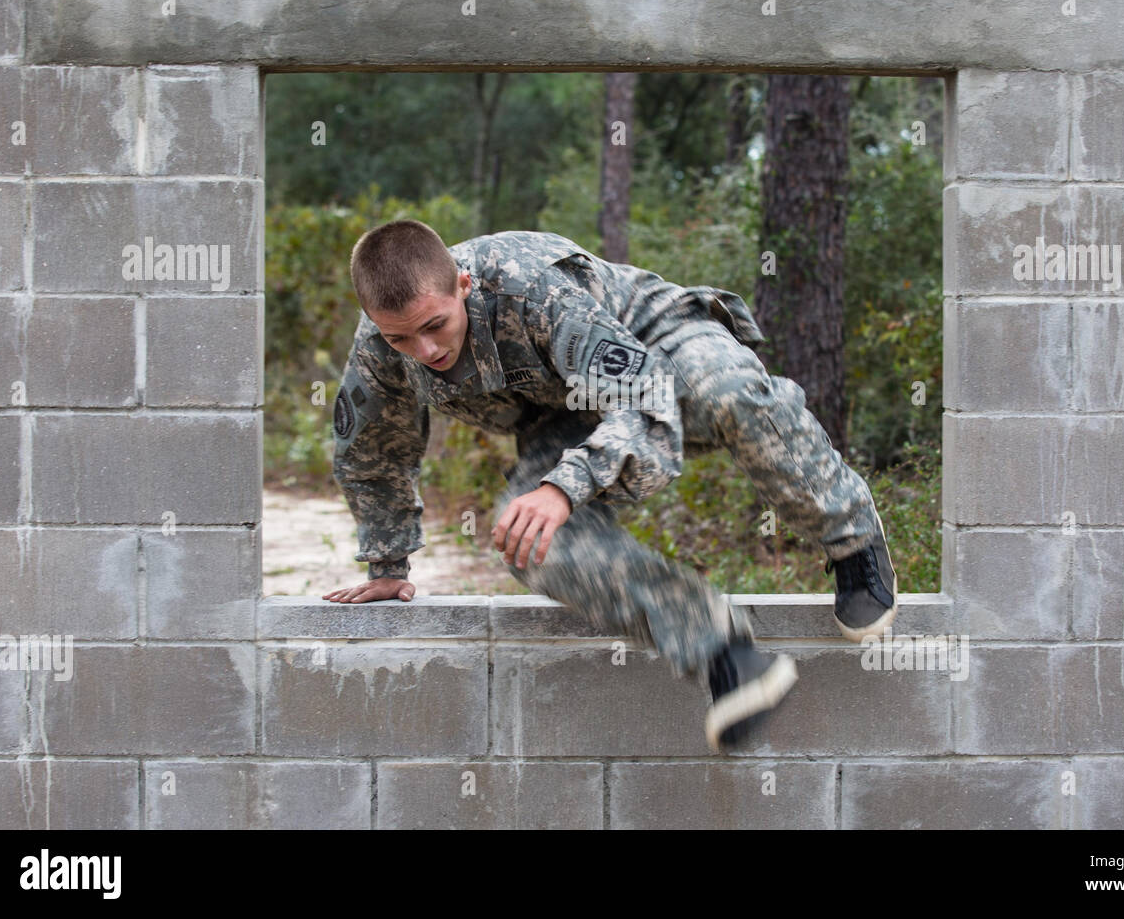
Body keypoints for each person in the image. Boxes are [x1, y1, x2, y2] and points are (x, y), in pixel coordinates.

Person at [321, 219, 897, 750]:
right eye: (402, 339)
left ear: (464, 285)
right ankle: (720, 646)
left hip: (653, 341)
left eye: (434, 326)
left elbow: (640, 392)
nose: (426, 352)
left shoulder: (531, 289)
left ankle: (851, 536)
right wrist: (387, 564)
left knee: (730, 393)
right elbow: (371, 451)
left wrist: (564, 486)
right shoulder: (380, 347)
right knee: (530, 541)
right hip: (564, 410)